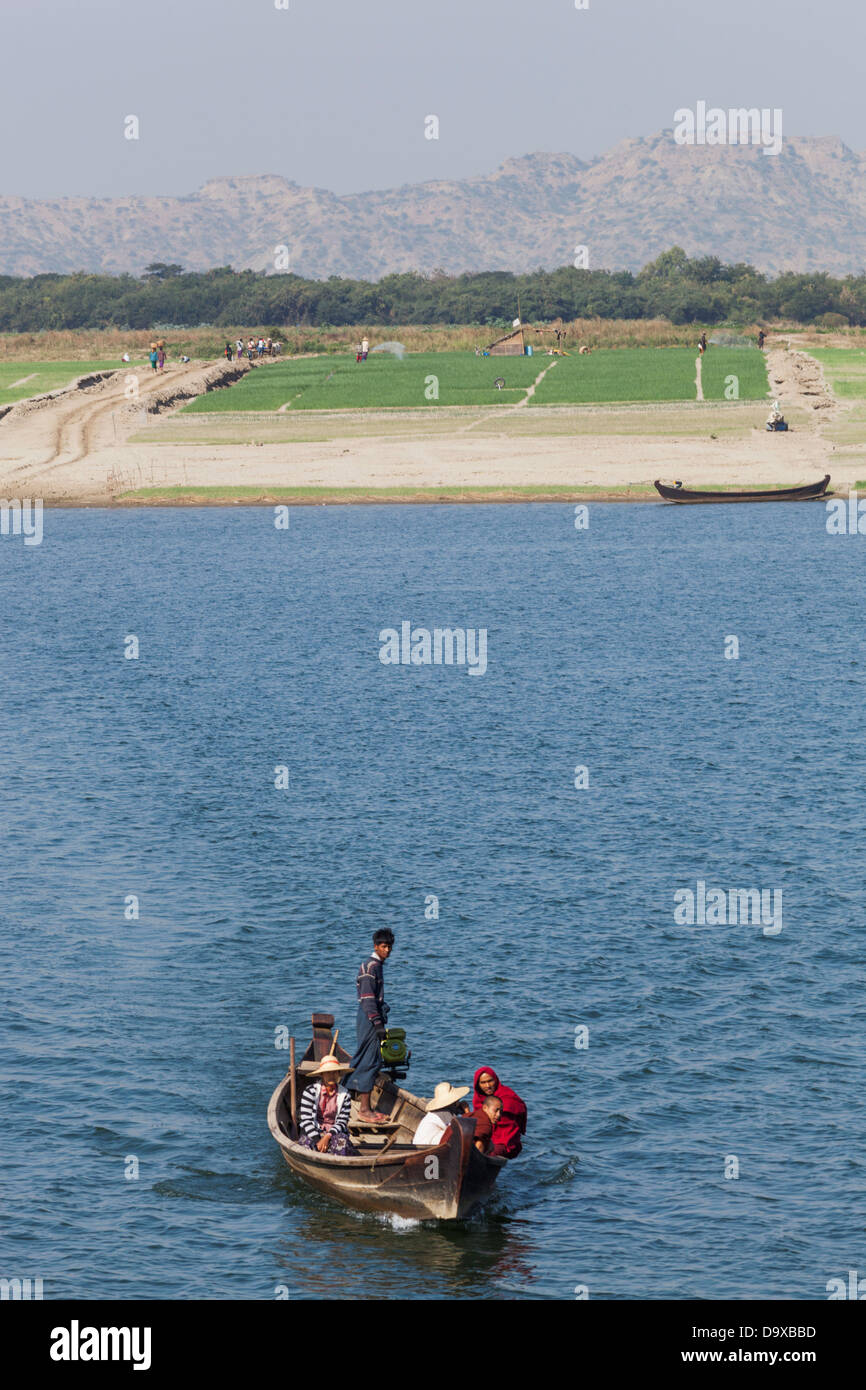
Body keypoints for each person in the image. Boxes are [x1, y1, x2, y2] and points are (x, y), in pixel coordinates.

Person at [348, 929, 394, 1123]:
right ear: (375, 946)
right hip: (368, 1017)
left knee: (365, 1057)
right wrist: (377, 1024)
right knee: (370, 1060)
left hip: (370, 1016)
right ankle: (365, 1110)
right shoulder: (370, 967)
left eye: (390, 947)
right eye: (384, 946)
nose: (388, 950)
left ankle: (348, 1094)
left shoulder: (377, 965)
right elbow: (368, 1000)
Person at [298, 1054, 357, 1156]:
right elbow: (306, 1120)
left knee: (342, 1144)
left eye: (334, 1072)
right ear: (322, 1075)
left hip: (334, 1132)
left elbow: (342, 1122)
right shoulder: (310, 1091)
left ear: (338, 1074)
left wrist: (327, 1137)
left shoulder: (345, 1094)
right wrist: (318, 1140)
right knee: (306, 1147)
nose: (331, 1075)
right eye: (328, 1073)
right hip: (313, 1130)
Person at [473, 1066, 527, 1158]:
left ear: (496, 1080)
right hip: (486, 1138)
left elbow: (508, 1129)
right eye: (483, 1082)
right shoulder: (478, 1099)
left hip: (505, 1142)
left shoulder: (507, 1098)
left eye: (490, 1081)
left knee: (484, 1154)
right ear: (478, 1085)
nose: (488, 1086)